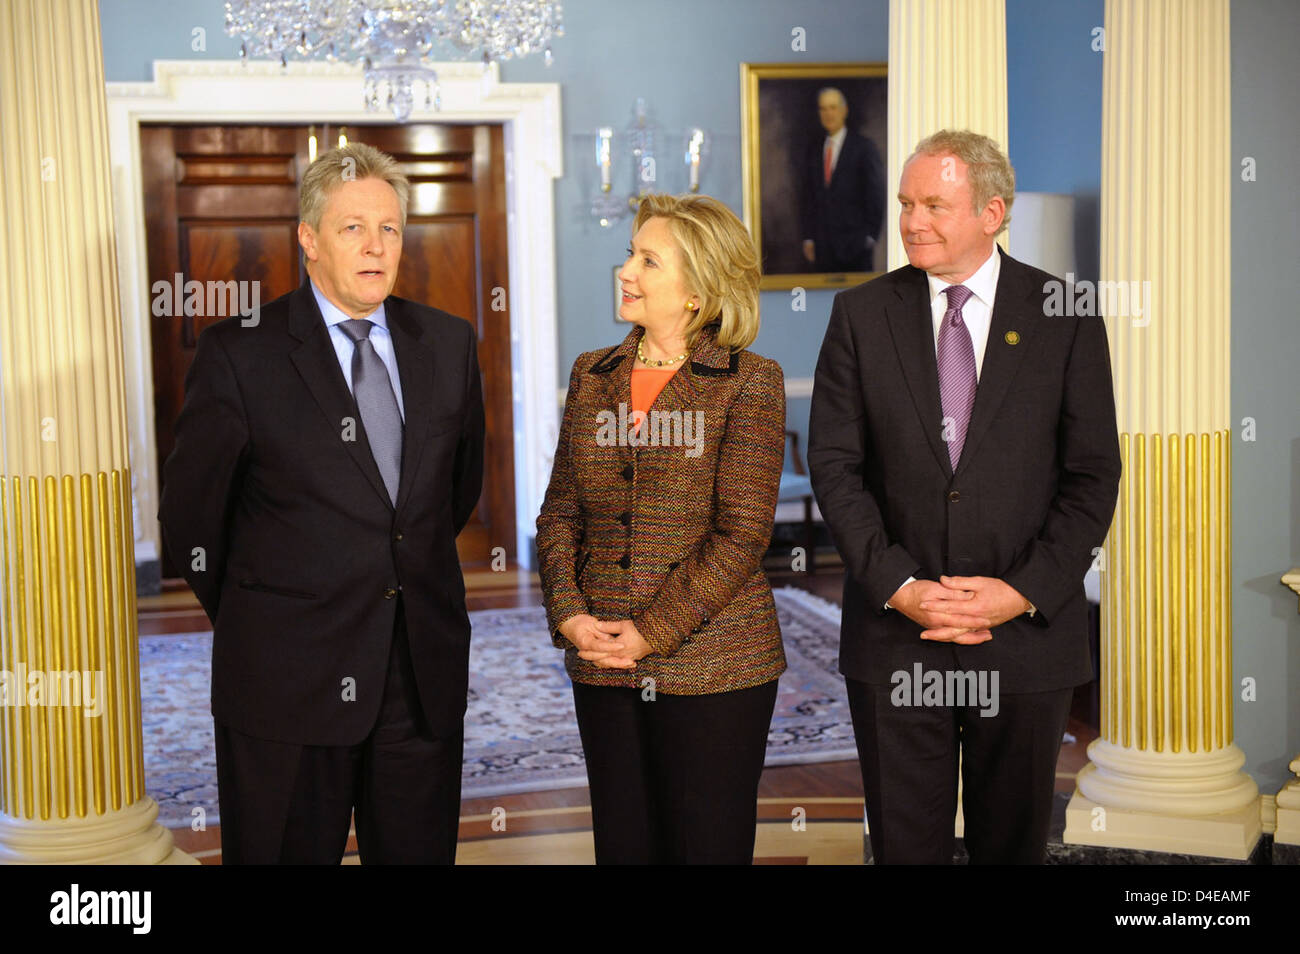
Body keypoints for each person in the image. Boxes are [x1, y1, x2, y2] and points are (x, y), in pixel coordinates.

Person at [159, 143, 485, 864]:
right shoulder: (239, 353)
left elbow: (447, 497)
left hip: (418, 677)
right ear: (308, 239)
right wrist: (263, 614)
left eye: (391, 229)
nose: (377, 246)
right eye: (353, 228)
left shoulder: (450, 344)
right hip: (285, 679)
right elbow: (190, 523)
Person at [807, 129, 1121, 864]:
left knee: (1010, 844)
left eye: (935, 205)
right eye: (907, 203)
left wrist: (1020, 593)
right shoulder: (861, 315)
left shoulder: (1065, 311)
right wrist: (900, 586)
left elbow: (1092, 476)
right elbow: (835, 467)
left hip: (1025, 640)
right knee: (904, 845)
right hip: (896, 635)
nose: (913, 221)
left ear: (992, 211)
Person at [536, 193, 787, 865]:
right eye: (630, 254)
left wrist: (651, 632)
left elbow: (742, 535)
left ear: (699, 291)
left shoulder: (750, 382)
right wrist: (570, 616)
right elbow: (559, 512)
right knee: (625, 847)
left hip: (715, 668)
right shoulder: (593, 375)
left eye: (649, 260)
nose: (626, 271)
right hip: (603, 664)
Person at [801, 87, 886, 273]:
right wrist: (808, 237)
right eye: (823, 109)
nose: (828, 113)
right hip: (822, 248)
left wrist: (870, 236)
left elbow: (876, 195)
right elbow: (808, 197)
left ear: (844, 110)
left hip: (855, 246)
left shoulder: (863, 147)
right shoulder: (814, 149)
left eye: (832, 107)